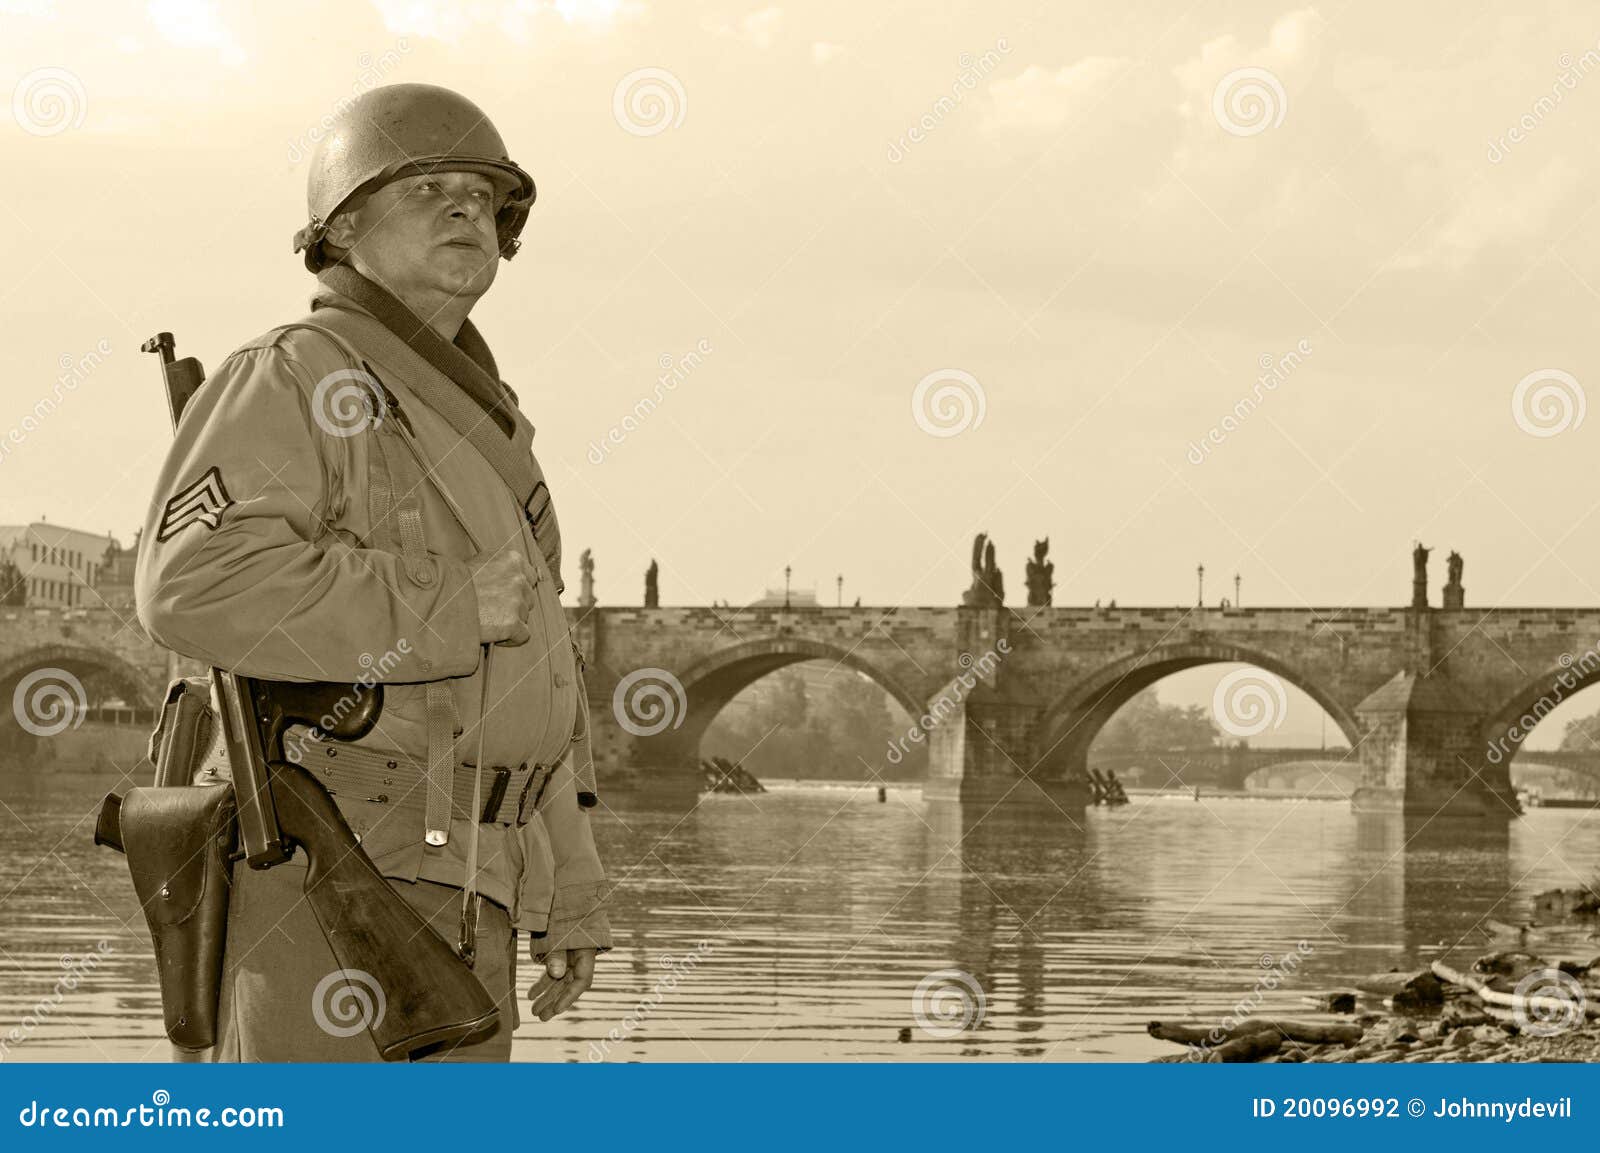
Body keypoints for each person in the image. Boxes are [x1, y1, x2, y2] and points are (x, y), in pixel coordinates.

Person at [134, 83, 609, 1061]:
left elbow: (535, 673)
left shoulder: (492, 430)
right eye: (428, 186)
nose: (465, 207)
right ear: (342, 227)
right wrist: (442, 603)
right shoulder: (295, 375)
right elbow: (192, 583)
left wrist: (573, 870)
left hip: (475, 889)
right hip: (326, 873)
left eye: (483, 195)